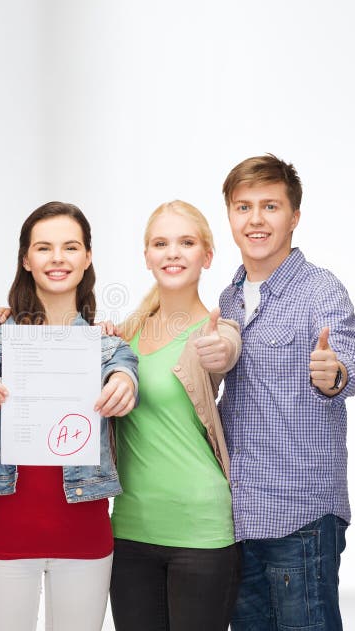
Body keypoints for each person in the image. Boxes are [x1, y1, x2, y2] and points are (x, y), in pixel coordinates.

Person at [0, 202, 138, 631]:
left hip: (84, 536)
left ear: (87, 257)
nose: (57, 258)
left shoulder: (108, 346)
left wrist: (123, 384)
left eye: (70, 247)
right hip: (4, 534)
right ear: (26, 259)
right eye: (44, 247)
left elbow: (124, 370)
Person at [218, 154, 355, 630]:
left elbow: (344, 367)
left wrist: (332, 374)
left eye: (270, 206)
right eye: (243, 207)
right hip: (239, 515)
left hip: (299, 516)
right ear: (230, 216)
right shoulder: (229, 298)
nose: (255, 219)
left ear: (294, 216)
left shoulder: (321, 291)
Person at [109, 200, 243, 631]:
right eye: (161, 243)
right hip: (129, 529)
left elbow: (226, 349)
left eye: (186, 243)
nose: (172, 253)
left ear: (206, 255)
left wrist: (221, 349)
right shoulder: (124, 336)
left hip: (201, 530)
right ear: (146, 256)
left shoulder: (215, 329)